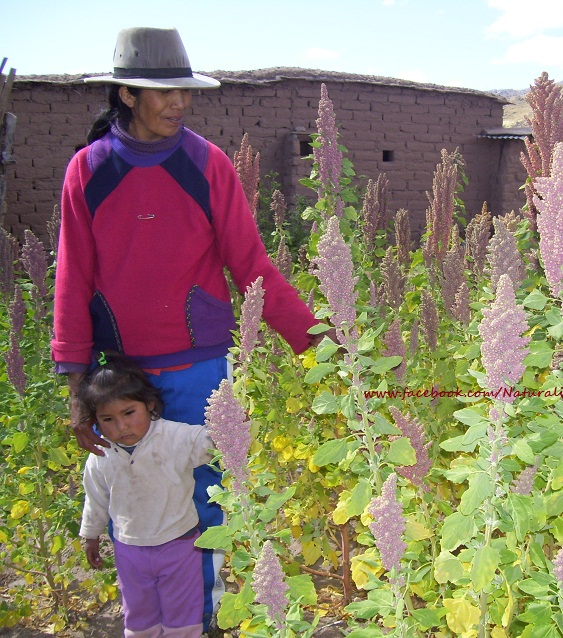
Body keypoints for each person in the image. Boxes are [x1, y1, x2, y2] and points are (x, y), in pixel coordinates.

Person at [51, 27, 320, 631]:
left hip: (199, 366)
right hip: (122, 375)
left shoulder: (206, 164)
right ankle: (150, 616)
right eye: (160, 92)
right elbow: (72, 278)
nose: (178, 103)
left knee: (205, 499)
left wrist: (315, 342)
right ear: (124, 94)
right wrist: (77, 386)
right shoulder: (88, 172)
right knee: (140, 500)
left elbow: (251, 266)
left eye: (184, 92)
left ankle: (199, 617)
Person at [78, 351, 213, 638]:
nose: (121, 426)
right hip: (130, 548)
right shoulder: (100, 455)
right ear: (95, 422)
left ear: (149, 405)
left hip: (180, 544)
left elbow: (213, 442)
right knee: (139, 614)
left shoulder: (175, 437)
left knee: (183, 614)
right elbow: (96, 498)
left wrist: (239, 418)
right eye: (108, 419)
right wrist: (90, 535)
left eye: (129, 413)